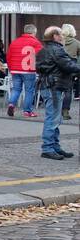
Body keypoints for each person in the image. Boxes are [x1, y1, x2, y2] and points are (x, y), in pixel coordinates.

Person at [35, 26, 80, 160]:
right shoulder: (57, 50)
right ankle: (48, 148)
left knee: (55, 118)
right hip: (54, 87)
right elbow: (68, 66)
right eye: (61, 34)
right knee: (53, 118)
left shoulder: (44, 49)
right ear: (55, 36)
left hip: (48, 85)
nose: (63, 37)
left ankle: (54, 146)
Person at [6, 25, 43, 118]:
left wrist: (11, 69)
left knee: (16, 89)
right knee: (29, 91)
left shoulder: (15, 42)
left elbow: (8, 56)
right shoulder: (36, 43)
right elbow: (42, 56)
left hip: (15, 70)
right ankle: (27, 111)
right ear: (34, 32)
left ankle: (11, 104)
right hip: (29, 70)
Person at [63, 24, 80, 121]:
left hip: (58, 68)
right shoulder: (77, 43)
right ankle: (65, 111)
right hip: (70, 68)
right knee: (68, 91)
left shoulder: (60, 42)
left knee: (55, 90)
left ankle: (54, 110)